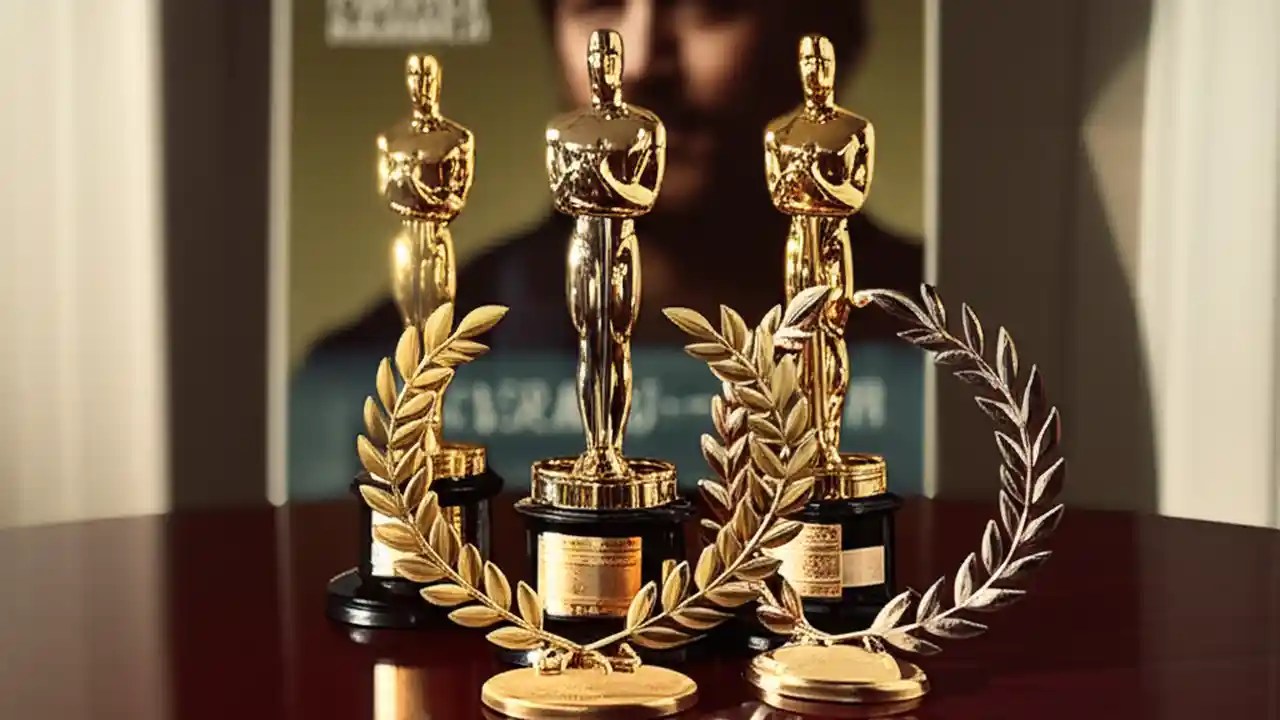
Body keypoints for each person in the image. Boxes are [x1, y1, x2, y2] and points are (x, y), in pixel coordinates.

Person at [315, 0, 920, 355]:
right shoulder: (378, 365)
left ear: (831, 33)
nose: (641, 61)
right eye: (598, 4)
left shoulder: (929, 339)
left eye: (709, 4)